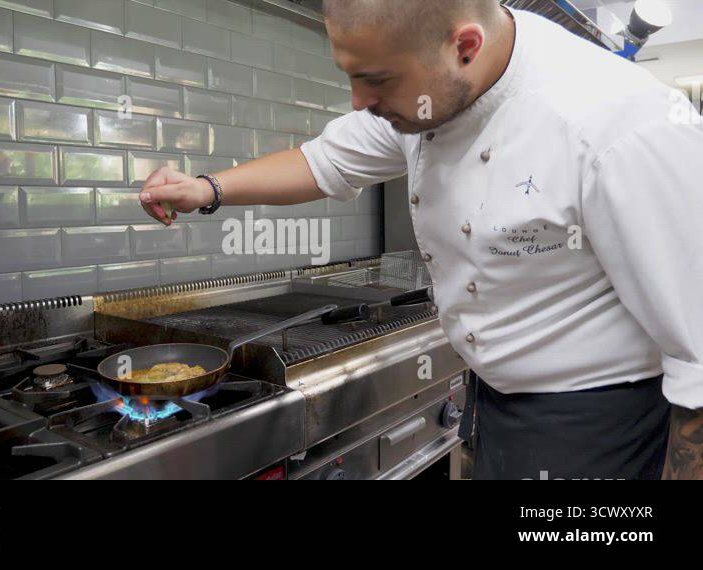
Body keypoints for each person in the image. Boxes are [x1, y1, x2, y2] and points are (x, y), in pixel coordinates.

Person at [138, 0, 703, 479]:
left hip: (597, 422)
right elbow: (326, 161)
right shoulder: (426, 91)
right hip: (493, 394)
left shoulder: (622, 128)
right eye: (351, 75)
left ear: (465, 46)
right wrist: (206, 189)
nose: (359, 101)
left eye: (377, 80)